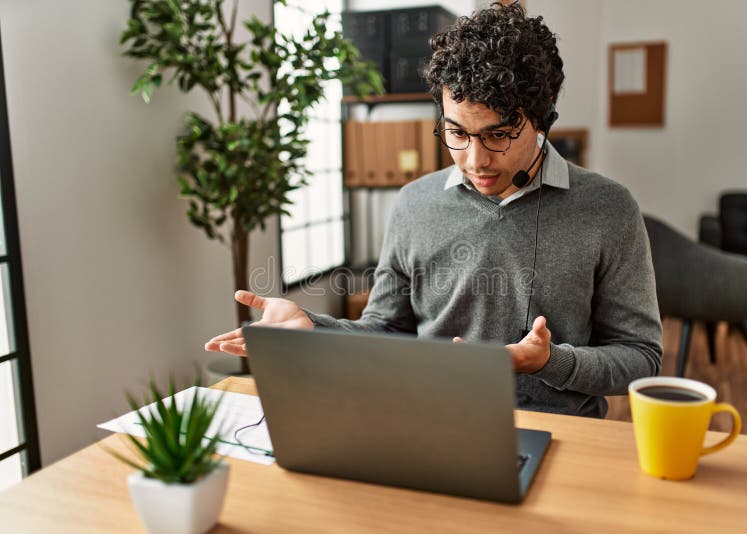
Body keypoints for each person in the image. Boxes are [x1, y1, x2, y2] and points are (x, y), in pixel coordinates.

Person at [206, 2, 662, 418]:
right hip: (428, 420)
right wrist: (314, 327)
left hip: (562, 431)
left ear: (542, 120)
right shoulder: (414, 203)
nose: (475, 160)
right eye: (457, 133)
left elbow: (641, 357)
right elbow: (386, 329)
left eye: (498, 135)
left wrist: (549, 362)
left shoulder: (608, 208)